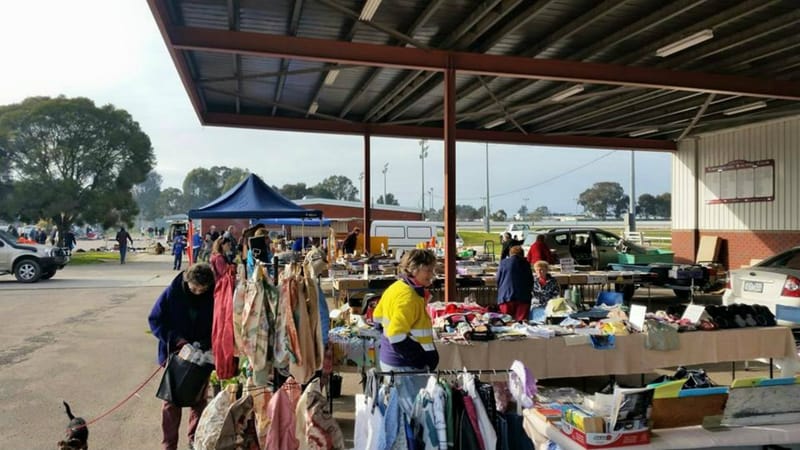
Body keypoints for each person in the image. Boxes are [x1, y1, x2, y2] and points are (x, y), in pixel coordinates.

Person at [147, 263, 215, 450]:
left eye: (203, 290)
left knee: (199, 400)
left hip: (203, 354)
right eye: (194, 289)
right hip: (176, 354)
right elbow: (155, 320)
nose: (198, 293)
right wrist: (177, 340)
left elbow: (217, 324)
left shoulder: (212, 295)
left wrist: (205, 343)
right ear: (187, 281)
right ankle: (169, 445)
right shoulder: (172, 293)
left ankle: (195, 440)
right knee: (171, 402)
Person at [372, 249, 439, 411]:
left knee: (398, 414)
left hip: (392, 362)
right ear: (414, 269)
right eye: (428, 270)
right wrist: (419, 359)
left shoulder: (396, 287)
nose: (432, 274)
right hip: (405, 368)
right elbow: (396, 334)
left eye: (432, 269)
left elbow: (377, 318)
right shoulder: (409, 297)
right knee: (413, 416)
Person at [496, 245, 534, 322]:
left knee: (506, 322)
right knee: (521, 323)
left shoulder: (503, 263)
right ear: (522, 254)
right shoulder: (526, 264)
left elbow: (498, 279)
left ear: (510, 253)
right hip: (523, 296)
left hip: (505, 296)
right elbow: (530, 280)